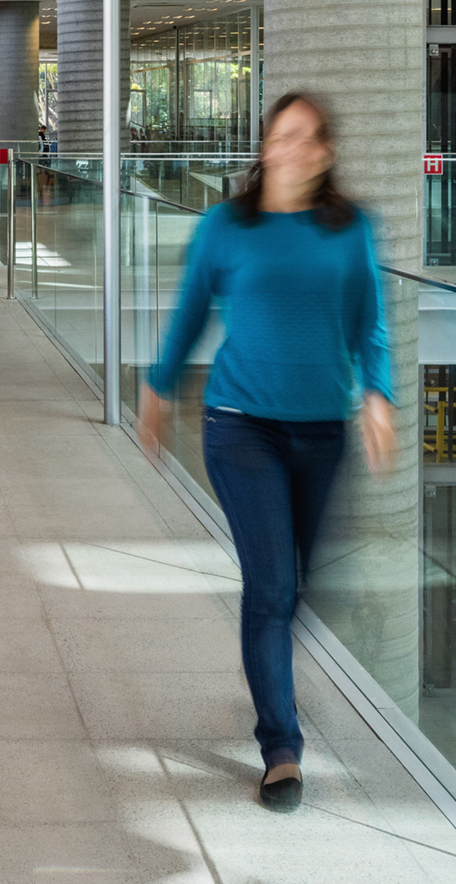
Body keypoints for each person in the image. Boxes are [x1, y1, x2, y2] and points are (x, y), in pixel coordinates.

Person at [140, 92, 397, 813]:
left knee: (299, 588)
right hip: (239, 425)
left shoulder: (350, 231)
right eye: (285, 136)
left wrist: (379, 393)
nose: (297, 149)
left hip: (322, 430)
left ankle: (269, 677)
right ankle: (280, 747)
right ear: (265, 148)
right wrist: (158, 389)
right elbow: (191, 310)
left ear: (327, 152)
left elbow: (369, 324)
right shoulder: (227, 227)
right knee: (273, 586)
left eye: (312, 138)